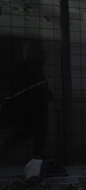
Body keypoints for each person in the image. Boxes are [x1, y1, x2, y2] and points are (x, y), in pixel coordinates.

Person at [0, 37, 50, 179]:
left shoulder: (26, 68)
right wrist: (46, 94)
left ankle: (10, 147)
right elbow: (34, 90)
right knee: (38, 129)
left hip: (25, 108)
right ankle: (36, 156)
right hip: (29, 108)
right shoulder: (32, 69)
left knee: (32, 130)